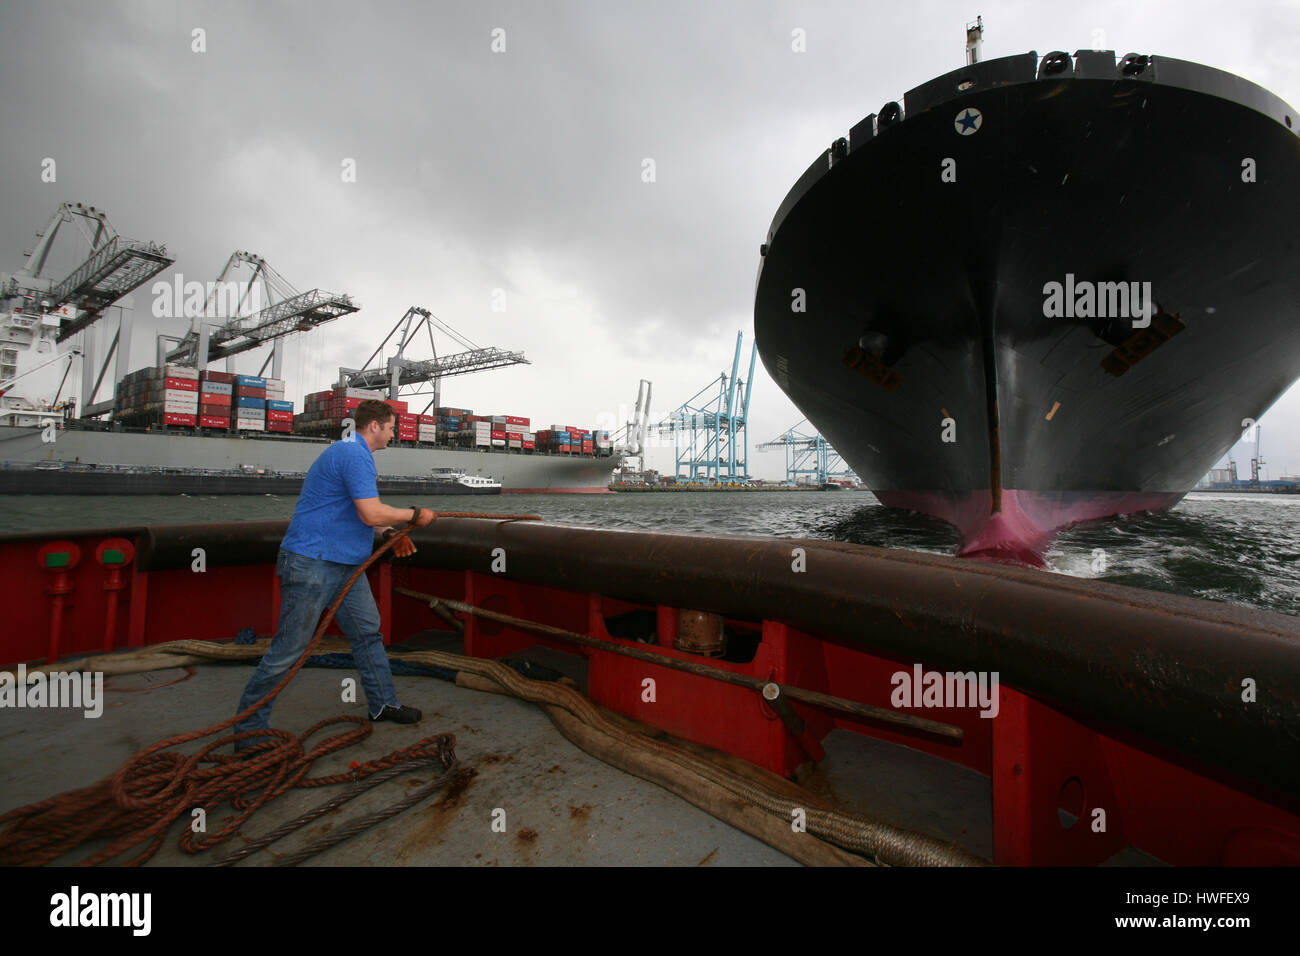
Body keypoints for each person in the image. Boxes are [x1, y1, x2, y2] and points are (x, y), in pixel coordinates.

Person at [233, 399, 435, 748]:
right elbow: (371, 513)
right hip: (313, 563)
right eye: (391, 428)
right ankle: (249, 734)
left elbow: (354, 515)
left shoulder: (351, 453)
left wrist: (389, 535)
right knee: (289, 650)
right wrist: (416, 515)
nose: (393, 434)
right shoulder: (354, 455)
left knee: (368, 633)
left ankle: (383, 703)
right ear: (374, 426)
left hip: (344, 565)